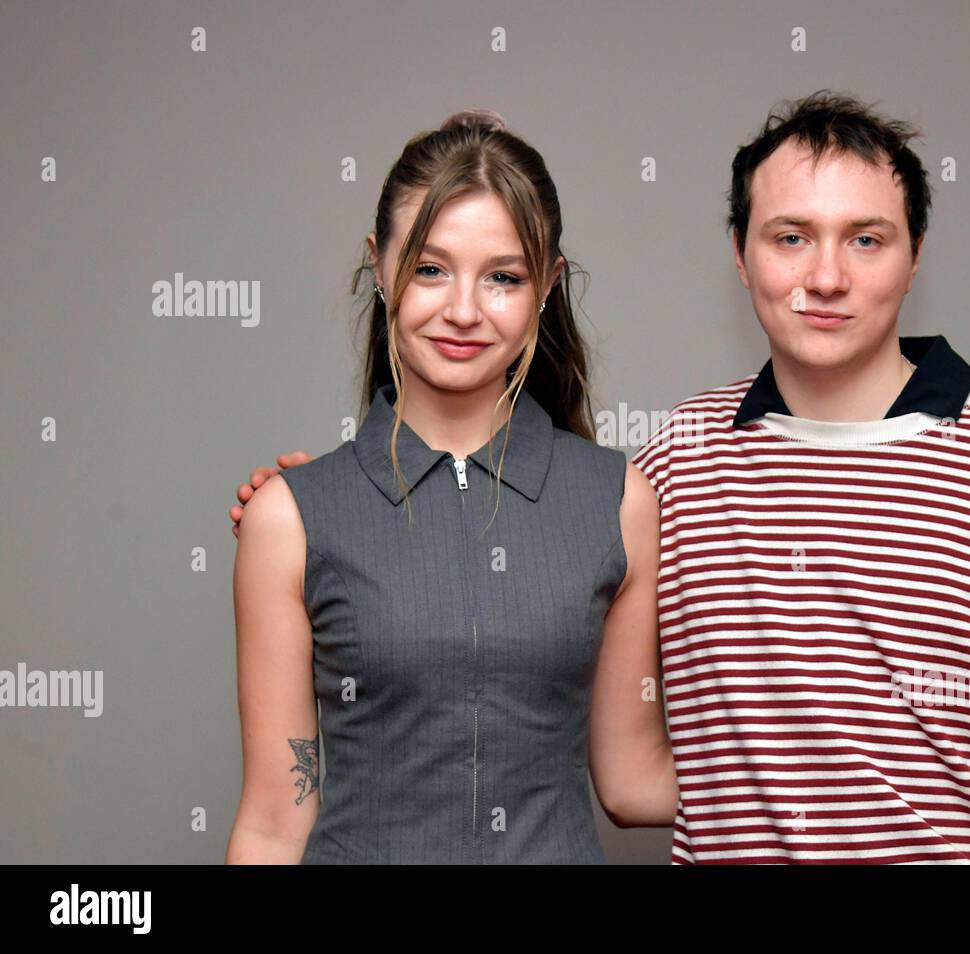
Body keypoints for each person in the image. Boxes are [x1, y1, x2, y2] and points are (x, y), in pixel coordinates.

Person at [629, 90, 970, 863]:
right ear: (739, 253)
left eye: (866, 240)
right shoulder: (676, 463)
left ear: (915, 257)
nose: (825, 277)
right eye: (791, 237)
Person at [226, 110, 676, 864]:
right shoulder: (291, 516)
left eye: (504, 277)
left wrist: (848, 773)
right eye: (430, 269)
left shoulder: (619, 500)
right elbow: (273, 821)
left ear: (548, 285)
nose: (463, 310)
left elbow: (632, 783)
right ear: (379, 264)